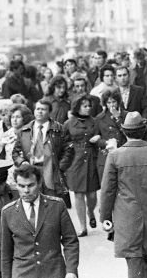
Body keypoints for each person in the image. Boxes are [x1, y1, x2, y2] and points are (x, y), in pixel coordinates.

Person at [99, 112, 147, 278]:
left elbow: (107, 191)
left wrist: (105, 217)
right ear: (143, 131)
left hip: (127, 221)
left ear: (125, 132)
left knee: (134, 267)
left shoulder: (115, 156)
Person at [0, 164, 79, 278]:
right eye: (21, 186)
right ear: (16, 185)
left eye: (30, 185)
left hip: (54, 272)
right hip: (23, 274)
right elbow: (6, 254)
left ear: (39, 183)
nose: (26, 190)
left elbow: (70, 241)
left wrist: (71, 271)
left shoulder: (57, 206)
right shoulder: (8, 212)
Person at [12, 98, 72, 201]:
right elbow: (15, 152)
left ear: (49, 112)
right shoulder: (24, 130)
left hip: (51, 170)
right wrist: (22, 162)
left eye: (43, 109)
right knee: (33, 200)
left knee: (52, 201)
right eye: (37, 109)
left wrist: (60, 167)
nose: (39, 111)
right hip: (31, 169)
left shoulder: (59, 129)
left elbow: (69, 150)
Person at [60, 94, 101, 236]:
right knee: (78, 194)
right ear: (77, 107)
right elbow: (63, 141)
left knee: (92, 194)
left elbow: (101, 137)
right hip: (74, 160)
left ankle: (91, 212)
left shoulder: (94, 122)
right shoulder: (68, 123)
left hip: (91, 158)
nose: (88, 108)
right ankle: (83, 227)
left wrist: (98, 138)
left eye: (89, 105)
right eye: (85, 106)